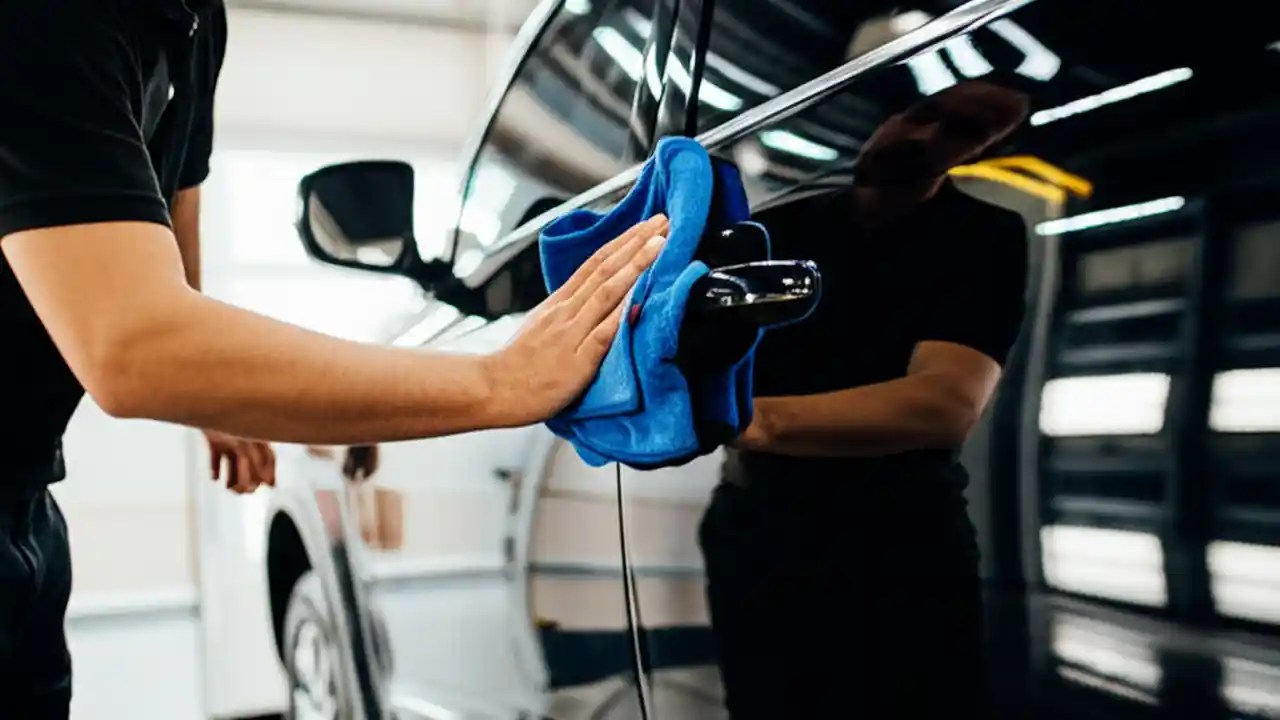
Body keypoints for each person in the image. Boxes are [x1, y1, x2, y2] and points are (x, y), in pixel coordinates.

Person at [0, 1, 666, 716]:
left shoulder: (193, 18)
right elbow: (129, 347)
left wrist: (214, 397)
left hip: (24, 502)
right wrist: (498, 380)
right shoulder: (48, 19)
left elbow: (170, 209)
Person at [697, 78, 1032, 718]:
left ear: (978, 155)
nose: (927, 135)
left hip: (901, 542)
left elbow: (942, 406)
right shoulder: (777, 228)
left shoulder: (983, 236)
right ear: (890, 119)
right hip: (755, 528)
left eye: (961, 131)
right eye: (924, 115)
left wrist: (742, 419)